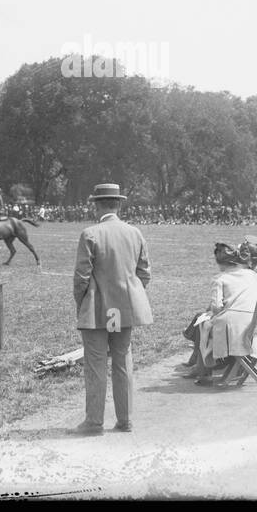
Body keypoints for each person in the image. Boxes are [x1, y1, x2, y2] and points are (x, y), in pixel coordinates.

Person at [72, 184, 153, 435]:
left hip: (98, 309)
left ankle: (94, 422)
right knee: (122, 361)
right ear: (118, 204)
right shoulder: (134, 233)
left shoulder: (90, 233)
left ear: (97, 205)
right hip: (123, 308)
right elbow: (144, 273)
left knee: (96, 364)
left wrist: (82, 304)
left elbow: (81, 277)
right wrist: (129, 296)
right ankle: (125, 420)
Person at [189, 243, 257, 386]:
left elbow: (216, 307)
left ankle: (205, 371)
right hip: (252, 324)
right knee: (206, 325)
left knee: (203, 325)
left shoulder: (220, 279)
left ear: (220, 263)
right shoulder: (252, 275)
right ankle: (213, 368)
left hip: (231, 326)